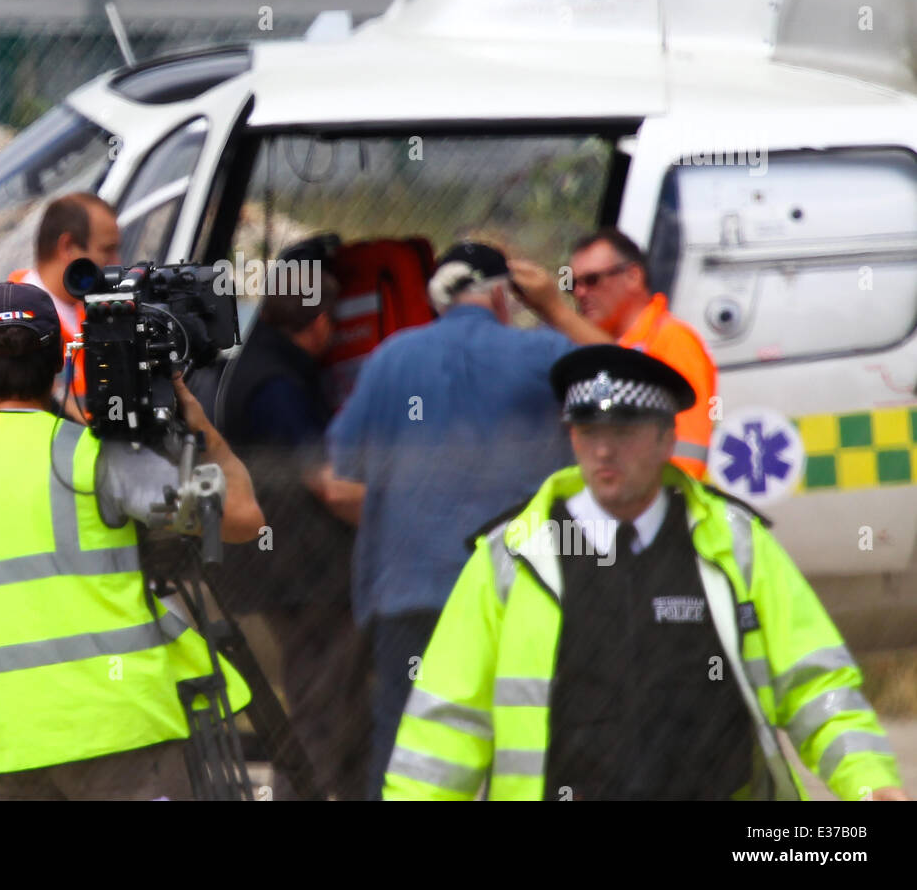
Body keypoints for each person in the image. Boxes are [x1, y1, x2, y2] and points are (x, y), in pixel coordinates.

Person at [384, 345, 908, 801]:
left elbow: (815, 682)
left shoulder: (733, 544)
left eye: (624, 432)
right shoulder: (514, 555)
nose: (604, 450)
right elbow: (446, 722)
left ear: (665, 439)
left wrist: (868, 782)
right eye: (589, 431)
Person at [0, 281, 264, 799]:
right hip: (118, 730)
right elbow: (242, 518)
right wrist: (200, 430)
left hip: (0, 741)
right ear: (62, 360)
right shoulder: (95, 459)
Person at [326, 242, 575, 800]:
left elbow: (341, 468)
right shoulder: (544, 353)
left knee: (406, 747)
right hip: (521, 592)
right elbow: (637, 383)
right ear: (500, 294)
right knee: (529, 743)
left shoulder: (392, 357)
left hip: (410, 593)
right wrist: (558, 309)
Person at [213, 258, 369, 799]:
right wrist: (397, 517)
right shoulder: (278, 384)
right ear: (321, 322)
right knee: (319, 711)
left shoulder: (251, 362)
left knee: (322, 704)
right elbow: (326, 483)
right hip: (305, 580)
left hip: (278, 572)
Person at [509, 228, 716, 479]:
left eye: (593, 280)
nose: (580, 293)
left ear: (633, 276)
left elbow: (687, 455)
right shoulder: (616, 344)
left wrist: (555, 309)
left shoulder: (673, 340)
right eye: (574, 284)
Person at [9, 192, 121, 421]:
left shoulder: (90, 308)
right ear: (68, 246)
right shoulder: (14, 327)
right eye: (107, 250)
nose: (116, 262)